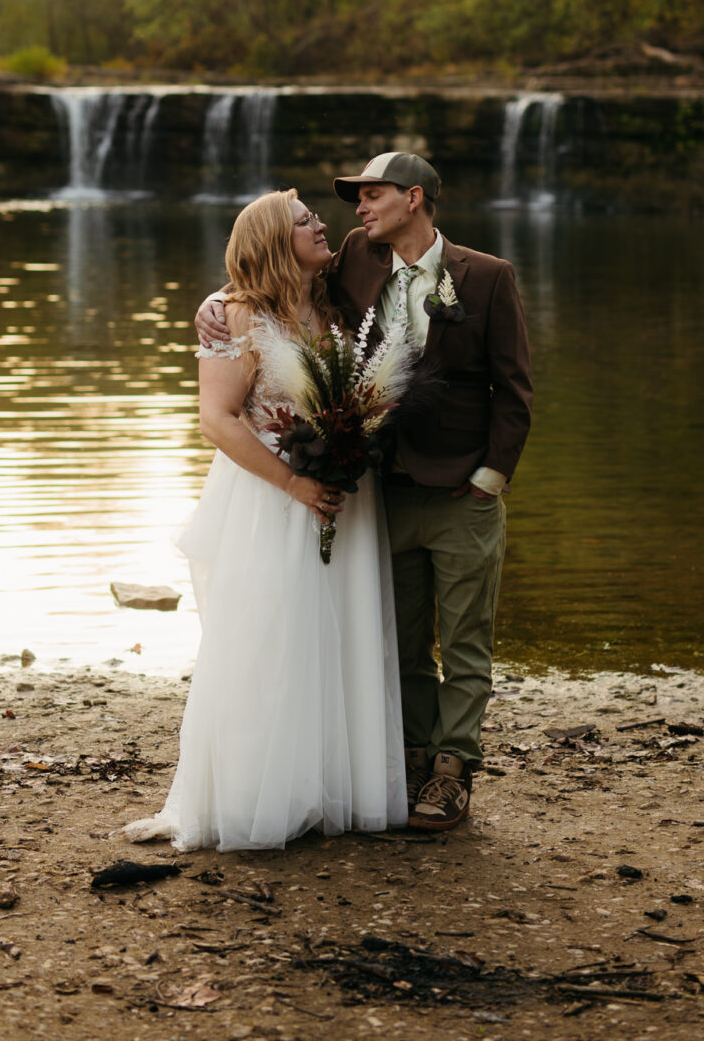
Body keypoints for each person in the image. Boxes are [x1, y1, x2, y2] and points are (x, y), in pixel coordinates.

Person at [198, 152, 533, 832]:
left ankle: (451, 773)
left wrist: (489, 478)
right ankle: (405, 763)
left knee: (465, 641)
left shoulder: (487, 277)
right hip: (378, 491)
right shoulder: (352, 262)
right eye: (341, 204)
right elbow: (262, 318)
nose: (354, 210)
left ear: (414, 198)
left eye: (371, 194)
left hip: (462, 489)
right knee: (397, 644)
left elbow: (515, 389)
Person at [126, 189, 406, 851]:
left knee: (339, 638)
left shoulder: (332, 302)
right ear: (275, 242)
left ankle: (330, 789)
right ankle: (253, 798)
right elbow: (216, 419)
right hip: (271, 497)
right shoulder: (234, 315)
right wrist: (294, 483)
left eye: (315, 215)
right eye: (305, 219)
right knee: (266, 641)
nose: (321, 224)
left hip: (341, 495)